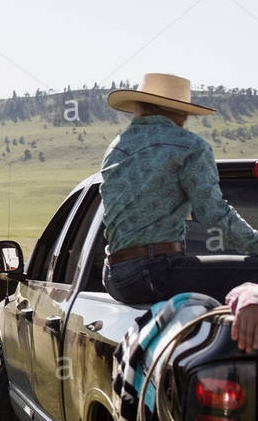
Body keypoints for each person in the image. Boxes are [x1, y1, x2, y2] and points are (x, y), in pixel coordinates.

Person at [101, 73, 258, 305]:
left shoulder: (116, 146)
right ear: (180, 111)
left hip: (115, 277)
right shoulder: (189, 146)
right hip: (155, 273)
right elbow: (212, 213)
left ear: (139, 107)